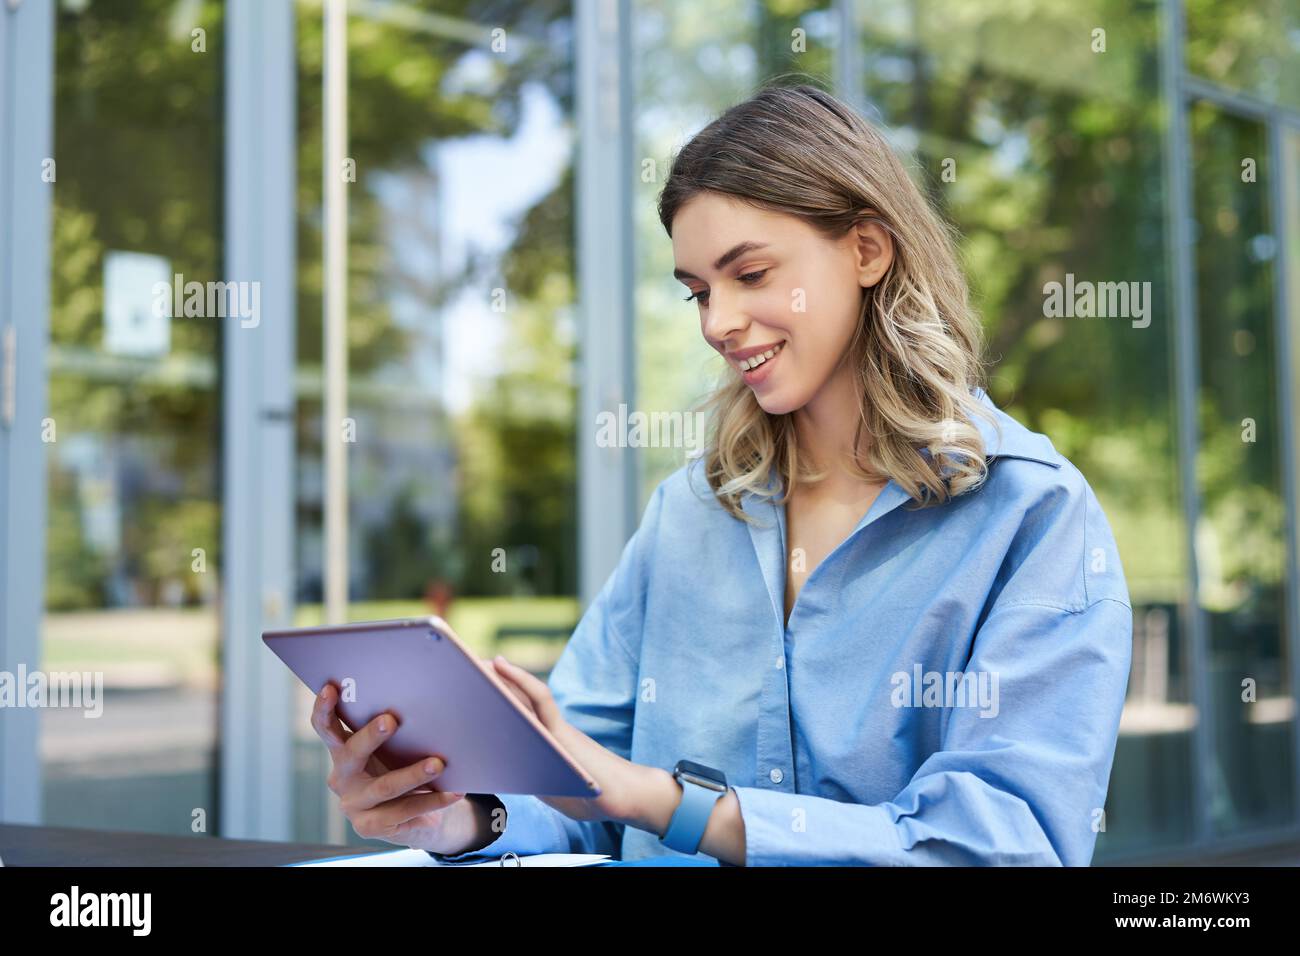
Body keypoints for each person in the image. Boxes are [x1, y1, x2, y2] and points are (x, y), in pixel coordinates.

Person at [311, 82, 1132, 866]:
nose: (718, 322)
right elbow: (579, 786)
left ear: (869, 250)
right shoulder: (690, 513)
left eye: (751, 274)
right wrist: (458, 813)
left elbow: (1006, 845)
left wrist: (671, 804)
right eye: (697, 291)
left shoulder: (1030, 514)